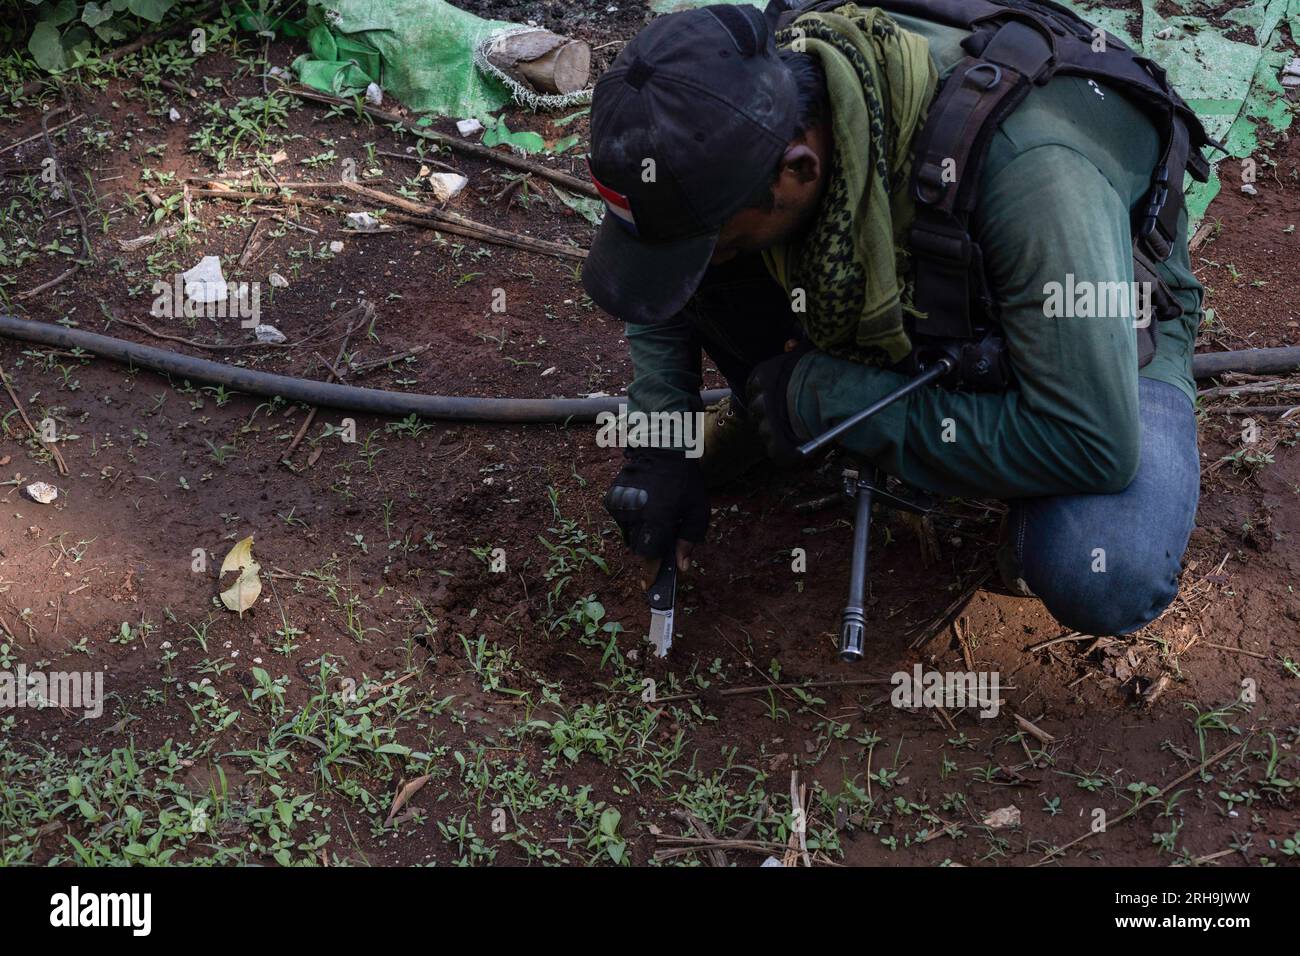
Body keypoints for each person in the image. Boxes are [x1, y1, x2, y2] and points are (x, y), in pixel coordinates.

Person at [584, 1, 1207, 637]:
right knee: (724, 255)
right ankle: (786, 404)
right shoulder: (737, 110)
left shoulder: (1034, 174)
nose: (706, 260)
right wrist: (660, 443)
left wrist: (837, 398)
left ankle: (993, 498)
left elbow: (1090, 444)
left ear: (800, 170)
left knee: (1102, 570)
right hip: (932, 268)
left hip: (1096, 305)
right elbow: (668, 271)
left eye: (713, 244)